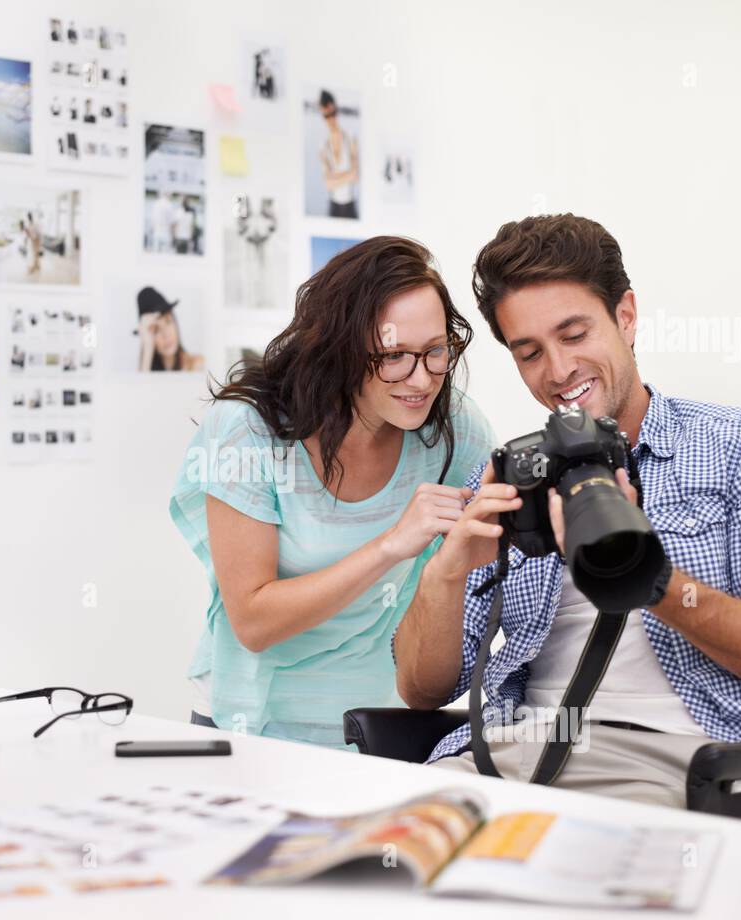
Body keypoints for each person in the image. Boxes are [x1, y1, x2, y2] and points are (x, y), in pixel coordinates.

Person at [394, 214, 741, 809]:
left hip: (675, 766)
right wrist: (447, 571)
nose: (557, 371)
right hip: (500, 760)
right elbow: (422, 690)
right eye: (530, 353)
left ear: (625, 317)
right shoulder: (509, 478)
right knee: (374, 874)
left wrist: (648, 578)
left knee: (554, 882)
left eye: (574, 335)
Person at [170, 237, 497, 747]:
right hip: (253, 719)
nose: (423, 379)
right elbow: (252, 621)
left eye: (437, 351)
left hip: (377, 723)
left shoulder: (454, 428)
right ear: (341, 350)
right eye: (394, 357)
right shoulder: (247, 431)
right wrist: (392, 544)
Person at [135, 288, 205, 372]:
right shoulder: (144, 370)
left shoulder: (198, 365)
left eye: (168, 321)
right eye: (156, 330)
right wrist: (148, 347)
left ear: (175, 322)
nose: (166, 334)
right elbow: (143, 384)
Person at [318, 90, 358, 218]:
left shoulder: (350, 138)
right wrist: (348, 175)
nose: (331, 119)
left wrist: (335, 176)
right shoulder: (323, 145)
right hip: (333, 206)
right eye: (327, 116)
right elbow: (328, 185)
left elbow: (356, 176)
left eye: (333, 114)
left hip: (350, 205)